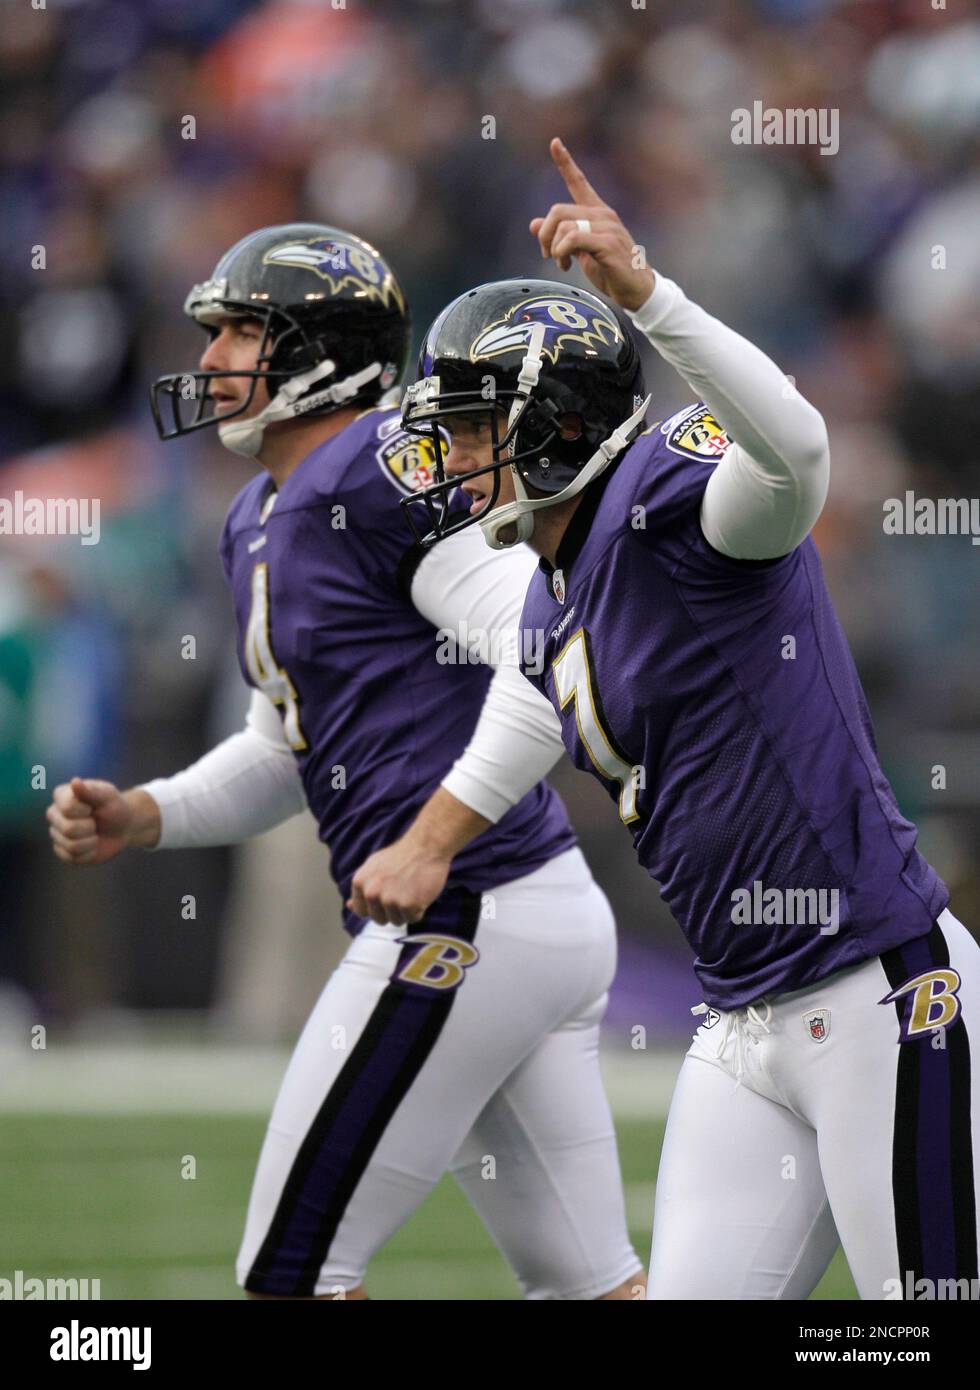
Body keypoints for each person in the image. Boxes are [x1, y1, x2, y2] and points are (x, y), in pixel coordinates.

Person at [362, 140, 980, 1301]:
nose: (448, 454)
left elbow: (795, 449)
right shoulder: (552, 588)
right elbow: (540, 704)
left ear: (548, 421)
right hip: (740, 1020)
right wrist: (434, 833)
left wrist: (646, 292)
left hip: (875, 991)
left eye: (471, 424)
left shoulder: (667, 499)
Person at [46, 222, 643, 1301]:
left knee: (293, 1270)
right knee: (588, 1284)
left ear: (321, 351)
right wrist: (150, 812)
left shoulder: (380, 464)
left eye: (239, 329)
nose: (214, 355)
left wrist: (429, 841)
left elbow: (552, 650)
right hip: (517, 912)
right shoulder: (256, 515)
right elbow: (287, 747)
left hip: (466, 908)